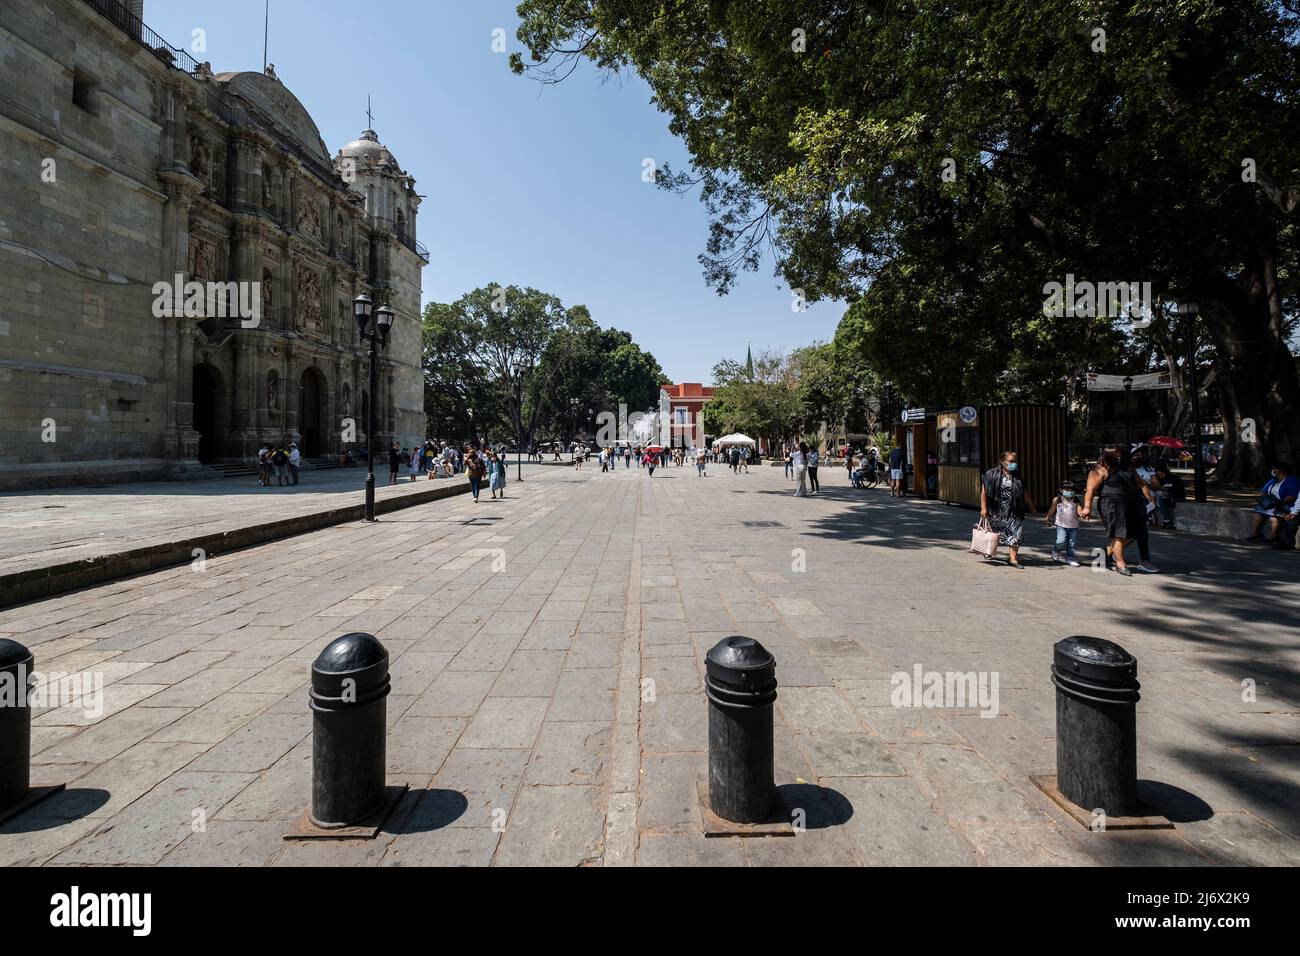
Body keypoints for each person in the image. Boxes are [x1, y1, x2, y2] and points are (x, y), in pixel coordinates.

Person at [1080, 445, 1157, 575]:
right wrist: (1087, 507)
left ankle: (1108, 551)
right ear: (1107, 456)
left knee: (1138, 531)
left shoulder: (1129, 468)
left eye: (1120, 455)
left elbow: (1140, 483)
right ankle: (1120, 564)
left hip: (1132, 502)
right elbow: (1090, 490)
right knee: (1119, 533)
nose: (1119, 458)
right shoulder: (1100, 470)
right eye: (1116, 455)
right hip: (1111, 504)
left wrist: (1148, 496)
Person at [979, 450, 1038, 568]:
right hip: (996, 510)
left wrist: (1032, 508)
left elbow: (1023, 493)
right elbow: (984, 492)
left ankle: (1013, 559)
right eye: (1011, 461)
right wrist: (983, 508)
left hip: (1014, 510)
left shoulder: (1017, 475)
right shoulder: (991, 474)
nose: (1014, 464)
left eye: (1015, 461)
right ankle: (989, 551)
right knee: (994, 532)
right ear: (1002, 461)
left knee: (1016, 533)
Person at [1247, 462, 1299, 543]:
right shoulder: (1273, 480)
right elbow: (1264, 491)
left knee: (1273, 517)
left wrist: (1280, 502)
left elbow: (1293, 496)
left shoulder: (1292, 480)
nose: (1273, 470)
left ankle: (1273, 536)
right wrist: (1265, 499)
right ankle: (1256, 533)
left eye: (1275, 468)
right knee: (1257, 513)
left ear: (1282, 470)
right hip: (1270, 503)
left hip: (1284, 504)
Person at [1046, 480, 1082, 567]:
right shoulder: (1057, 500)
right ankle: (1056, 550)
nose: (1069, 492)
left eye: (1071, 490)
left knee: (1071, 543)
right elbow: (1052, 509)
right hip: (1061, 525)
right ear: (1061, 490)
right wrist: (1048, 517)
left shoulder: (1076, 500)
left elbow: (1080, 511)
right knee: (1061, 541)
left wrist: (1084, 515)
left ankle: (1070, 558)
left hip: (1074, 525)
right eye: (1067, 490)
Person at [1152, 464, 1185, 528]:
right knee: (1158, 499)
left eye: (1161, 474)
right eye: (1159, 475)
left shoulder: (1174, 478)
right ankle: (1155, 519)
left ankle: (1167, 520)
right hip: (1166, 497)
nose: (1160, 477)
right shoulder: (1161, 480)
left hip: (1176, 497)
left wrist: (1169, 493)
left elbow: (1178, 490)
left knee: (1160, 500)